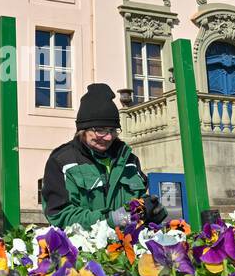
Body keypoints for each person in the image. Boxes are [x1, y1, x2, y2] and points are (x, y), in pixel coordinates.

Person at [42, 83, 168, 229]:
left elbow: (137, 202)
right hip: (81, 249)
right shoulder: (62, 162)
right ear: (82, 130)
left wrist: (151, 211)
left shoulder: (129, 160)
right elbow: (60, 215)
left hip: (127, 248)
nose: (108, 137)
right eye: (100, 130)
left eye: (113, 130)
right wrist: (112, 220)